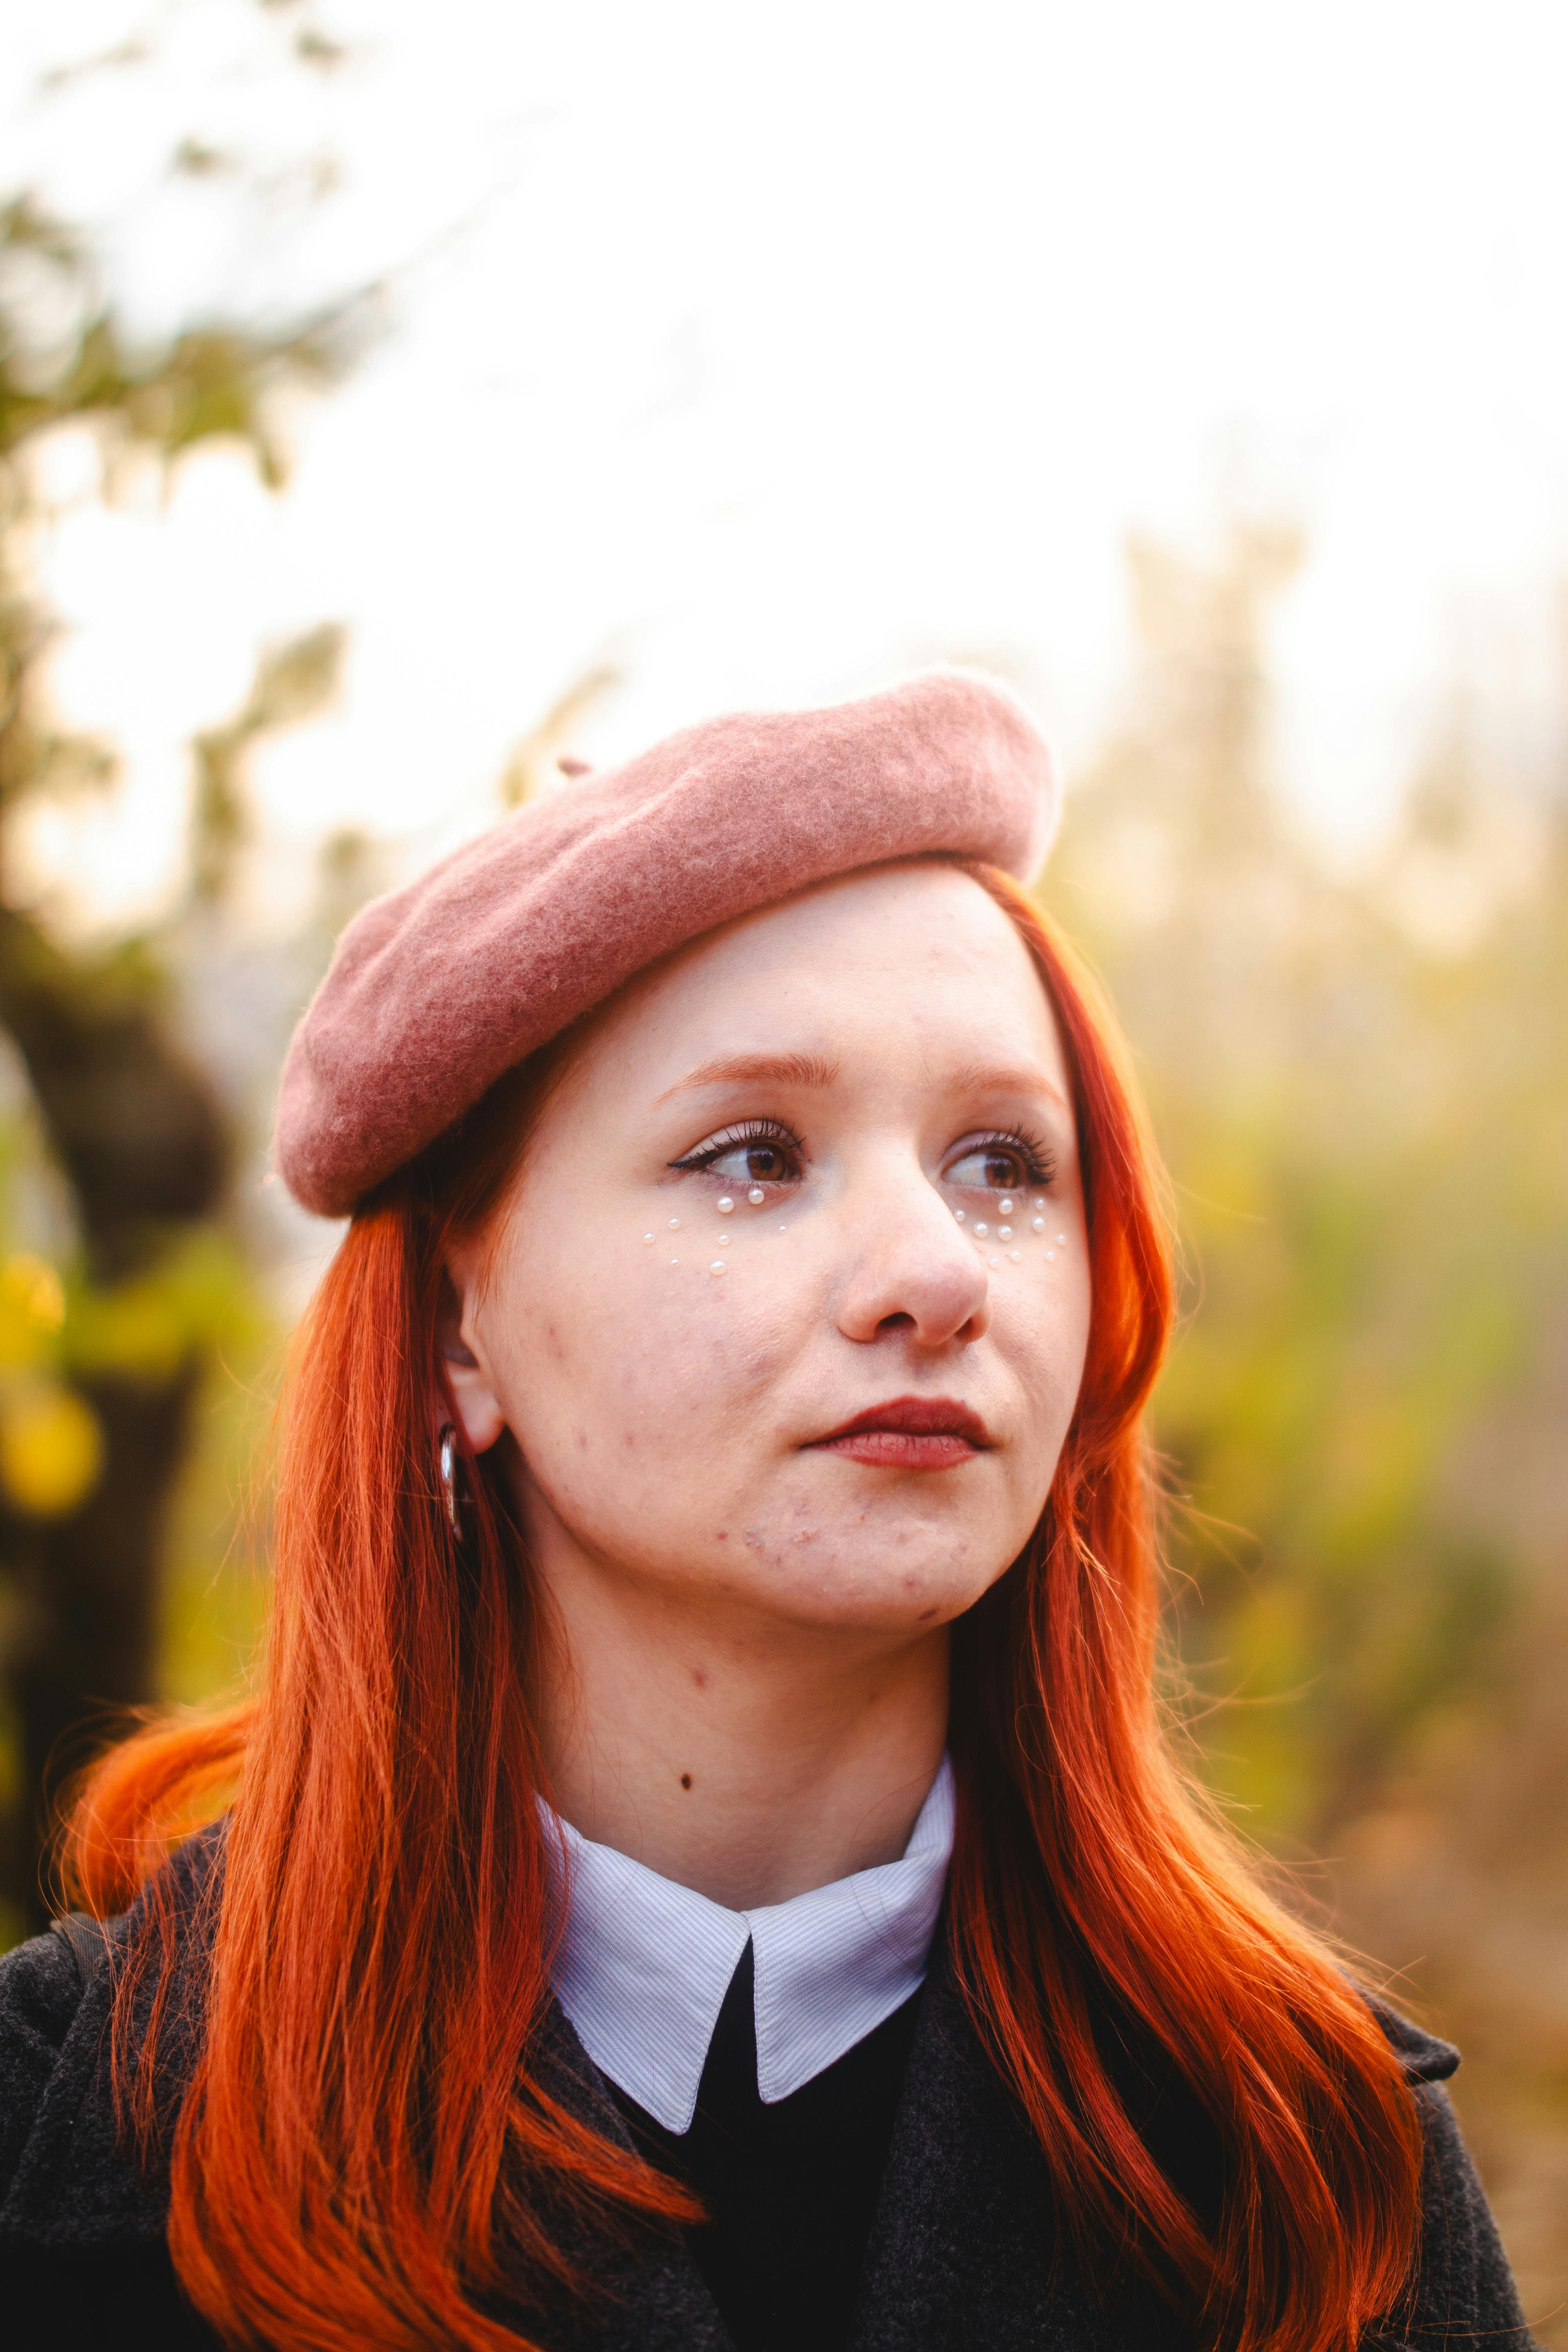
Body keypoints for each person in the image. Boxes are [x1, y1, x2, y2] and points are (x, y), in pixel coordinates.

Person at [0, 673, 1534, 2351]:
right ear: (457, 1333)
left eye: (1004, 1164)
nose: (937, 1272)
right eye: (753, 1155)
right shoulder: (54, 2135)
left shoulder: (1317, 2173)